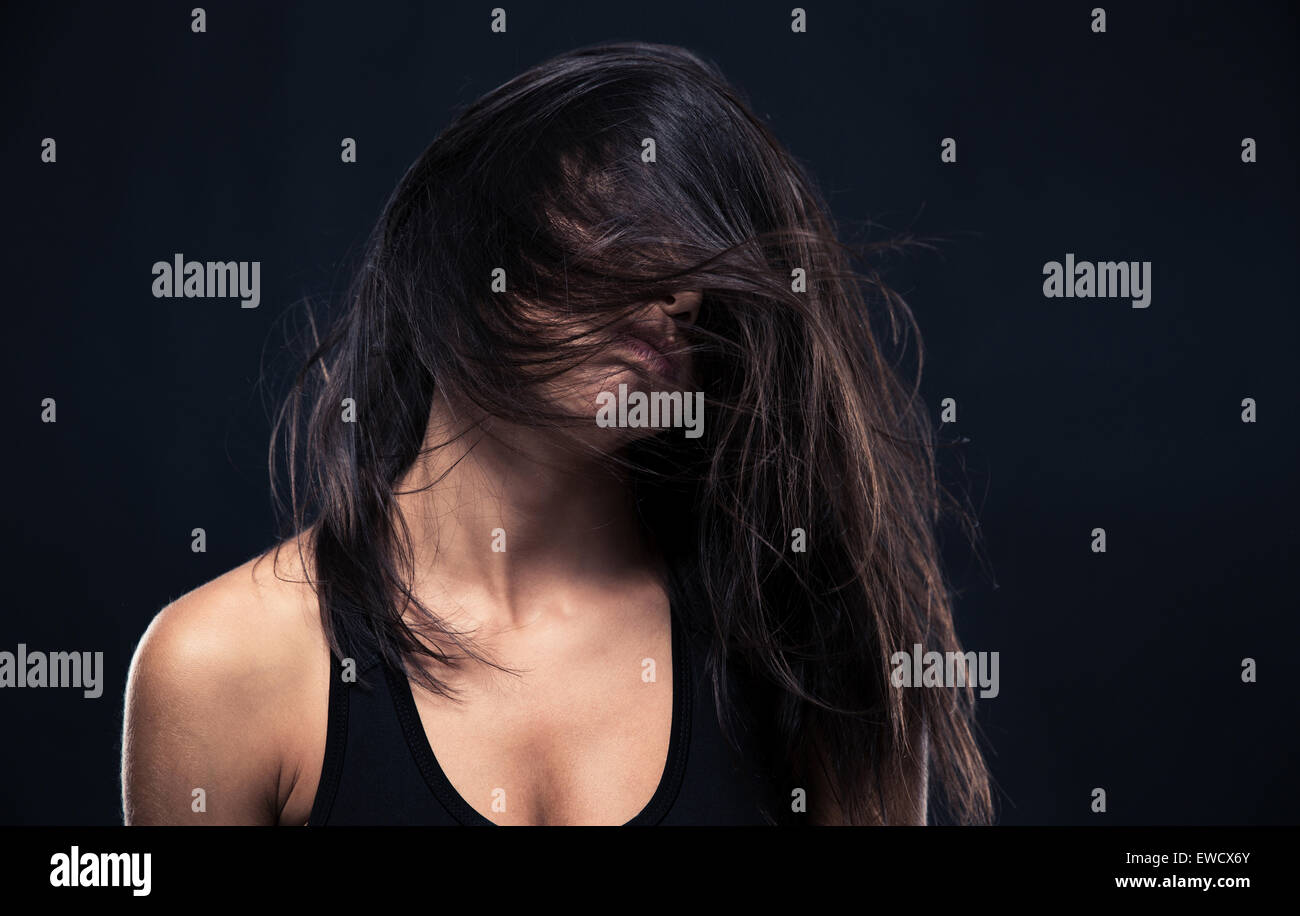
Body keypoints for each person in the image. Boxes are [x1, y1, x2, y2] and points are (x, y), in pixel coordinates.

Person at [122, 41, 993, 826]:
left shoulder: (798, 647)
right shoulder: (222, 666)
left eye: (706, 252)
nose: (682, 293)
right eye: (623, 222)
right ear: (461, 252)